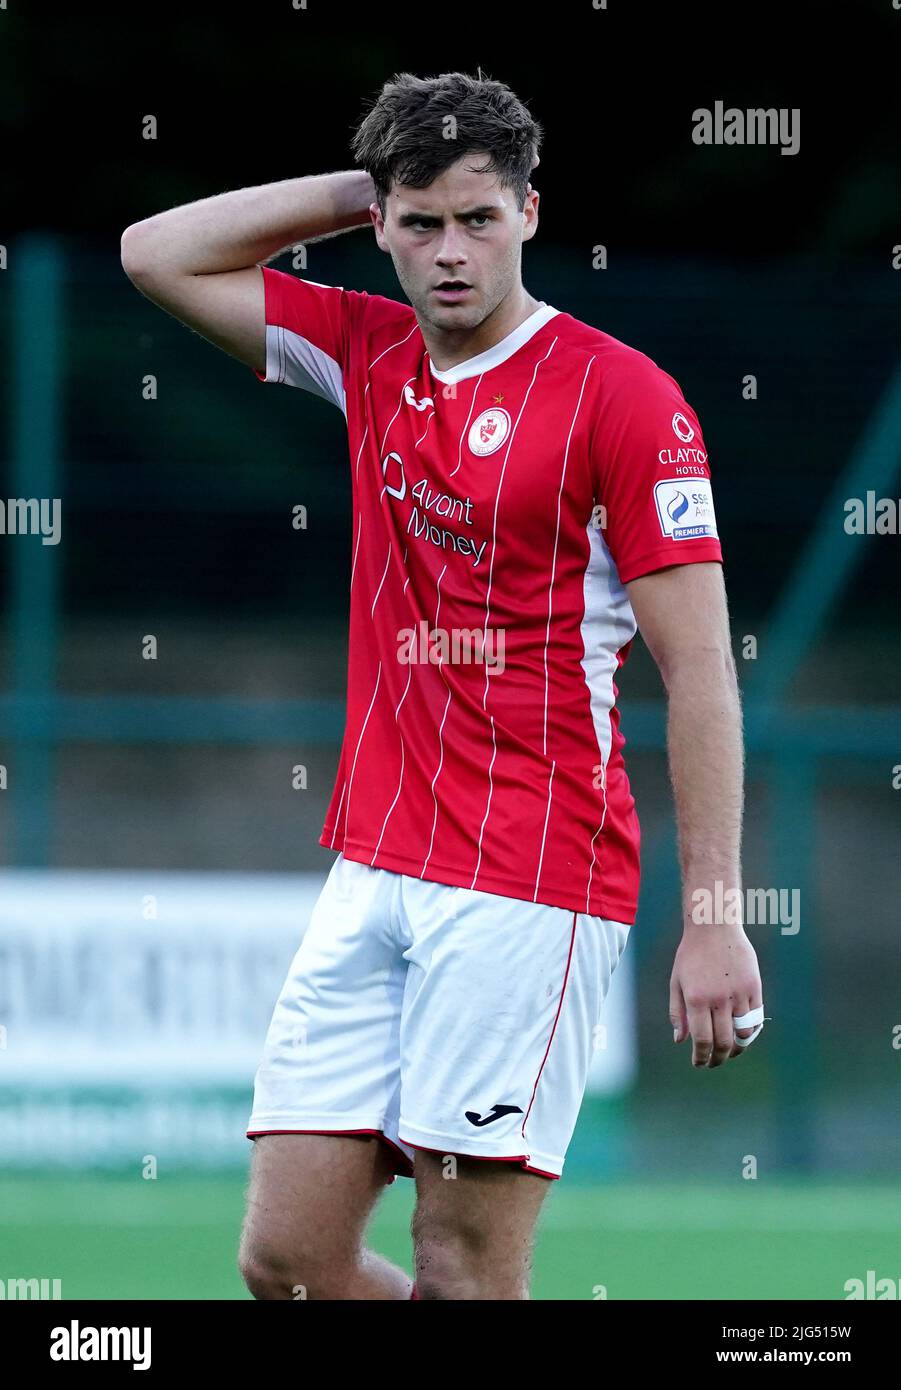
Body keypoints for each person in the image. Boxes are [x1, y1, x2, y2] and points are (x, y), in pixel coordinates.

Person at [120, 68, 764, 1301]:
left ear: (531, 212)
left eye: (479, 217)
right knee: (288, 1264)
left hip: (530, 880)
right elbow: (157, 254)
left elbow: (702, 680)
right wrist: (365, 181)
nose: (450, 252)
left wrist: (718, 911)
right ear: (382, 228)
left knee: (462, 1268)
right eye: (420, 223)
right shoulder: (363, 352)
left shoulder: (623, 399)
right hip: (374, 867)